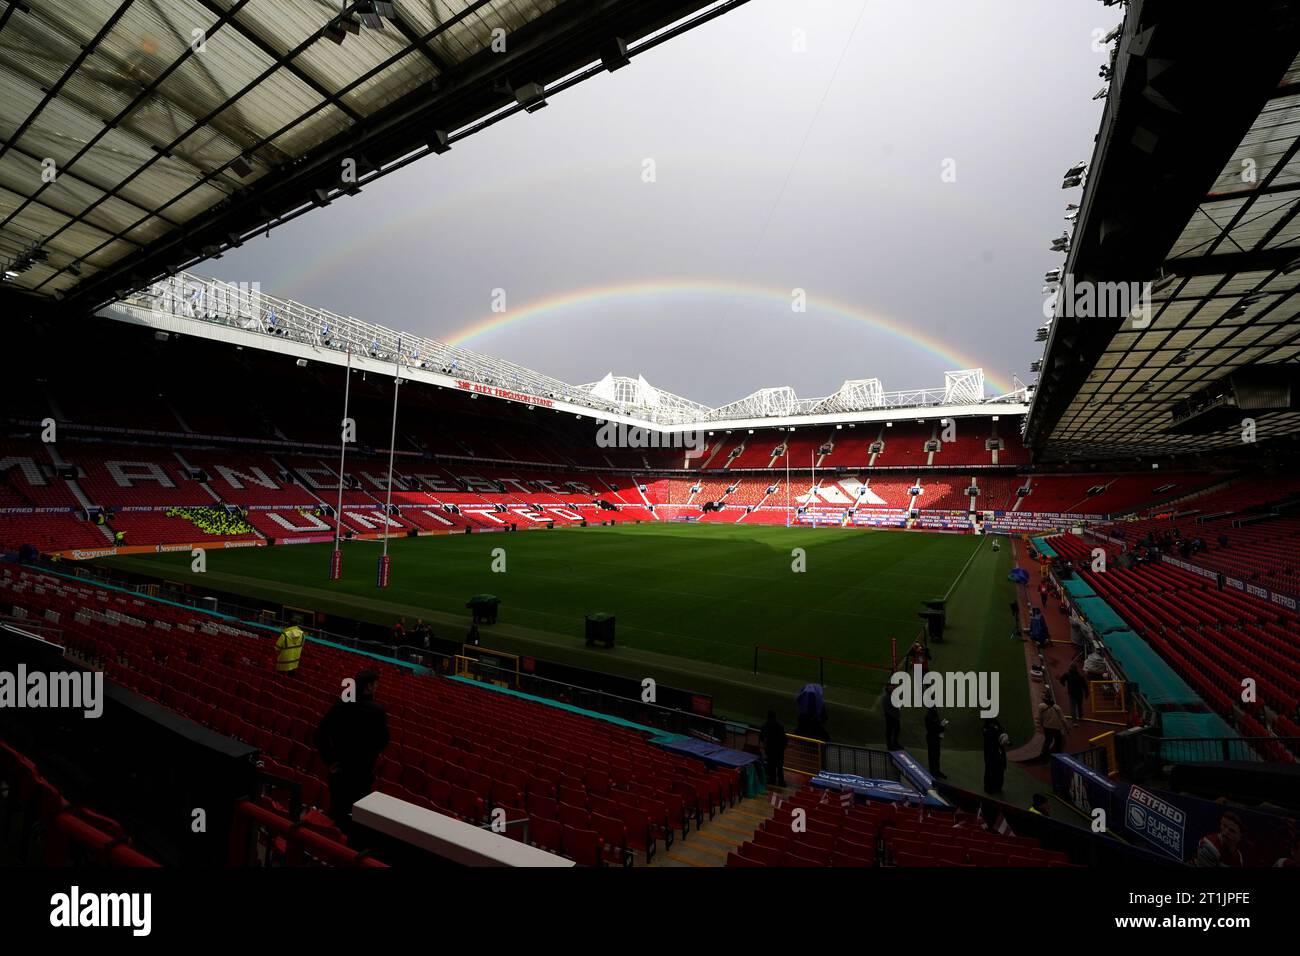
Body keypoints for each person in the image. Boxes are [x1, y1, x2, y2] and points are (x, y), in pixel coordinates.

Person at [314, 669, 390, 838]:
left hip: (339, 771)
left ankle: (330, 843)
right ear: (369, 687)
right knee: (352, 816)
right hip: (360, 773)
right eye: (376, 684)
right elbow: (383, 741)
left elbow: (320, 733)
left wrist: (330, 760)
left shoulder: (342, 704)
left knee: (337, 809)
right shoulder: (376, 711)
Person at [759, 710, 788, 787]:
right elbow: (784, 739)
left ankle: (772, 780)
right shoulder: (780, 726)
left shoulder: (765, 725)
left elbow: (761, 737)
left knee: (771, 765)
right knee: (779, 766)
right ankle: (781, 782)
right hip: (779, 750)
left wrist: (766, 746)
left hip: (770, 749)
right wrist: (783, 747)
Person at [1038, 693, 1070, 759]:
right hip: (1056, 727)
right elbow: (1063, 719)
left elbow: (1040, 717)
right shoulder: (1057, 708)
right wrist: (1067, 729)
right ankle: (1058, 756)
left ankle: (1043, 754)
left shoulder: (1041, 706)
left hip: (1046, 727)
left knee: (1047, 741)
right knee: (1058, 741)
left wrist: (1041, 725)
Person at [982, 717, 1009, 794]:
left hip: (996, 753)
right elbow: (995, 738)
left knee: (997, 770)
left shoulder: (994, 728)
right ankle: (990, 787)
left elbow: (1002, 735)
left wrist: (1005, 740)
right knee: (992, 770)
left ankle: (996, 787)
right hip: (992, 754)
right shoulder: (987, 729)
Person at [924, 705, 947, 780]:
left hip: (936, 738)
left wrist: (941, 726)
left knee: (937, 755)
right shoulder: (929, 716)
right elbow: (933, 729)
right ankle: (932, 773)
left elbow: (936, 725)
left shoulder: (934, 714)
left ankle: (936, 771)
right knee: (932, 756)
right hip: (932, 738)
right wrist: (942, 727)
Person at [883, 683, 902, 751]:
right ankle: (890, 746)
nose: (892, 688)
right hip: (890, 717)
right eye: (891, 687)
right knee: (889, 731)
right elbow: (889, 709)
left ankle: (895, 743)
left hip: (895, 717)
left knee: (897, 730)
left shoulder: (893, 695)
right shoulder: (887, 697)